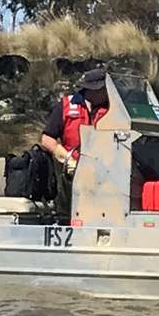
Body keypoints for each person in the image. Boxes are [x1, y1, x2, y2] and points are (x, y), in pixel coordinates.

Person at [39, 67, 110, 210]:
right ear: (94, 89)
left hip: (105, 175)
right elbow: (47, 139)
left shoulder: (113, 109)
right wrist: (68, 160)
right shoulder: (66, 106)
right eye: (104, 89)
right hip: (72, 174)